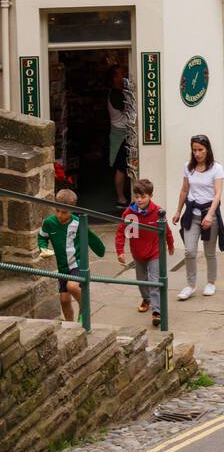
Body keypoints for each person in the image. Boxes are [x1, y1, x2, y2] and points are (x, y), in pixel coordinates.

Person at [172, 135, 224, 301]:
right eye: (194, 150)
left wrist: (210, 215)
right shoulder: (188, 167)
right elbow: (184, 190)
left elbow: (218, 194)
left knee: (209, 252)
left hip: (209, 214)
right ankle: (190, 285)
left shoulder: (216, 168)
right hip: (192, 214)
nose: (197, 153)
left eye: (200, 150)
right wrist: (178, 211)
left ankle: (211, 282)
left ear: (207, 149)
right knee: (189, 251)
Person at [38, 188, 106, 323]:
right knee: (64, 300)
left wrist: (100, 251)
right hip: (62, 267)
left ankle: (84, 308)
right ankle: (69, 324)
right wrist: (43, 248)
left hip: (77, 264)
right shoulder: (49, 222)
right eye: (57, 210)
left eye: (64, 212)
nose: (59, 215)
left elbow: (91, 238)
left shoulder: (78, 223)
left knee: (72, 286)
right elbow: (42, 236)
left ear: (72, 210)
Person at [115, 179, 175, 328]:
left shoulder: (157, 212)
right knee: (141, 280)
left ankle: (157, 311)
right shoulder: (129, 213)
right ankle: (146, 299)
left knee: (154, 281)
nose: (140, 200)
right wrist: (120, 251)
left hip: (154, 252)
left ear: (150, 196)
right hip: (138, 253)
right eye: (137, 197)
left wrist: (170, 244)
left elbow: (166, 230)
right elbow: (120, 232)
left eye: (143, 197)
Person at [107, 65, 133, 209]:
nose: (123, 77)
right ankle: (121, 198)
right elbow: (128, 108)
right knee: (121, 167)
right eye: (120, 74)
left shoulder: (118, 92)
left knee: (123, 166)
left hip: (124, 133)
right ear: (114, 78)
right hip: (120, 135)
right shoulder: (116, 94)